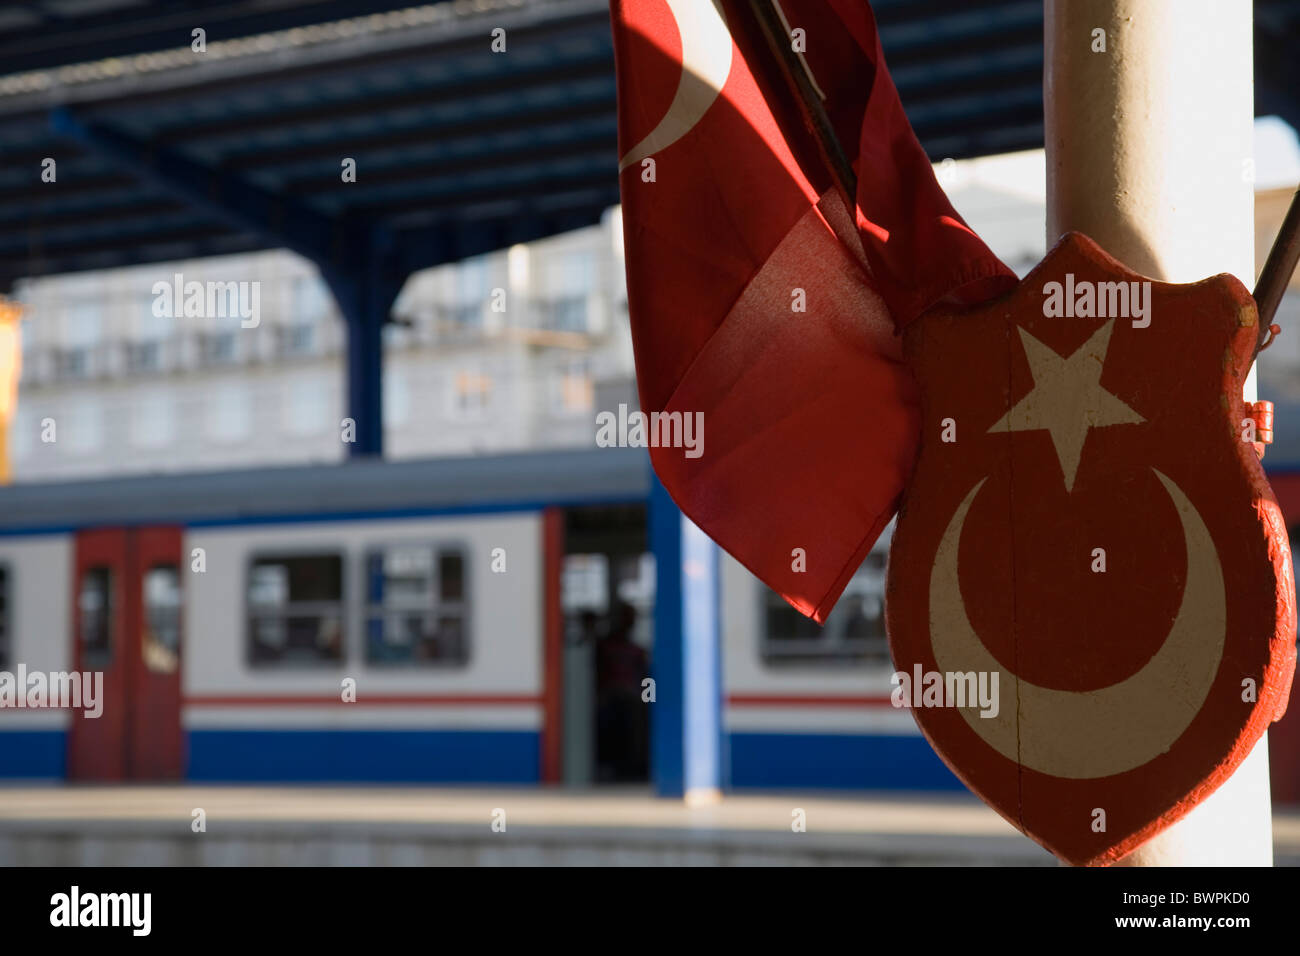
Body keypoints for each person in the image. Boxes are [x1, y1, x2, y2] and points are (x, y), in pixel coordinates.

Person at [595, 603, 649, 781]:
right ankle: (608, 767)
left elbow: (647, 679)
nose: (628, 622)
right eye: (624, 618)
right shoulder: (603, 647)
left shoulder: (637, 651)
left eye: (630, 618)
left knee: (635, 730)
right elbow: (596, 675)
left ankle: (632, 768)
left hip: (632, 700)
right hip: (607, 699)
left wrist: (648, 699)